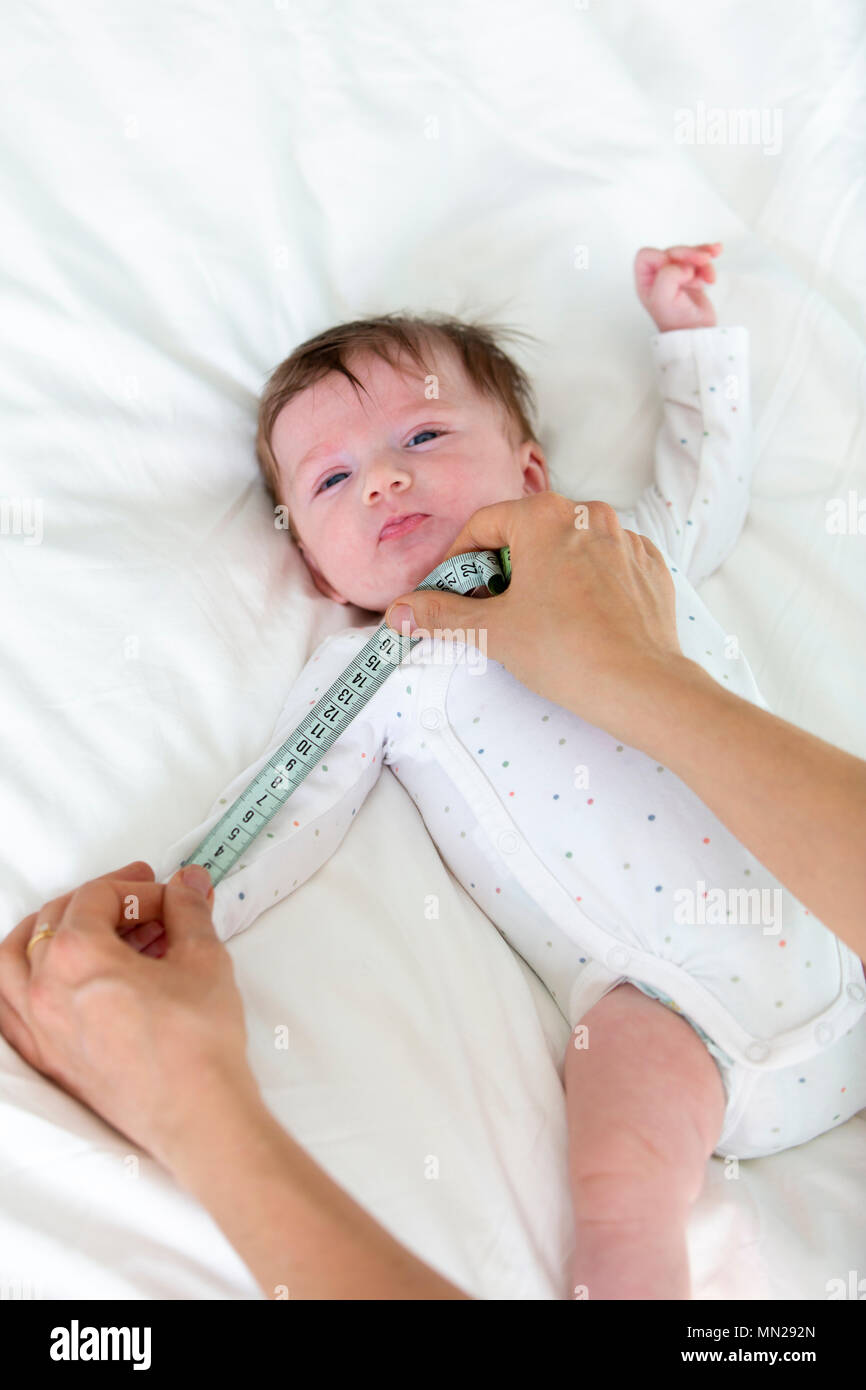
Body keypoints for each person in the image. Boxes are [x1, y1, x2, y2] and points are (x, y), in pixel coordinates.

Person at [2, 494, 864, 1301]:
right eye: (335, 478)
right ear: (320, 571)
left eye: (426, 434)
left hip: (829, 912)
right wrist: (181, 906)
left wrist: (695, 351)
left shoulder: (609, 555)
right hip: (671, 1019)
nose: (386, 481)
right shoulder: (376, 668)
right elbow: (287, 805)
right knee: (621, 1185)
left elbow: (700, 503)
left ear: (530, 474)